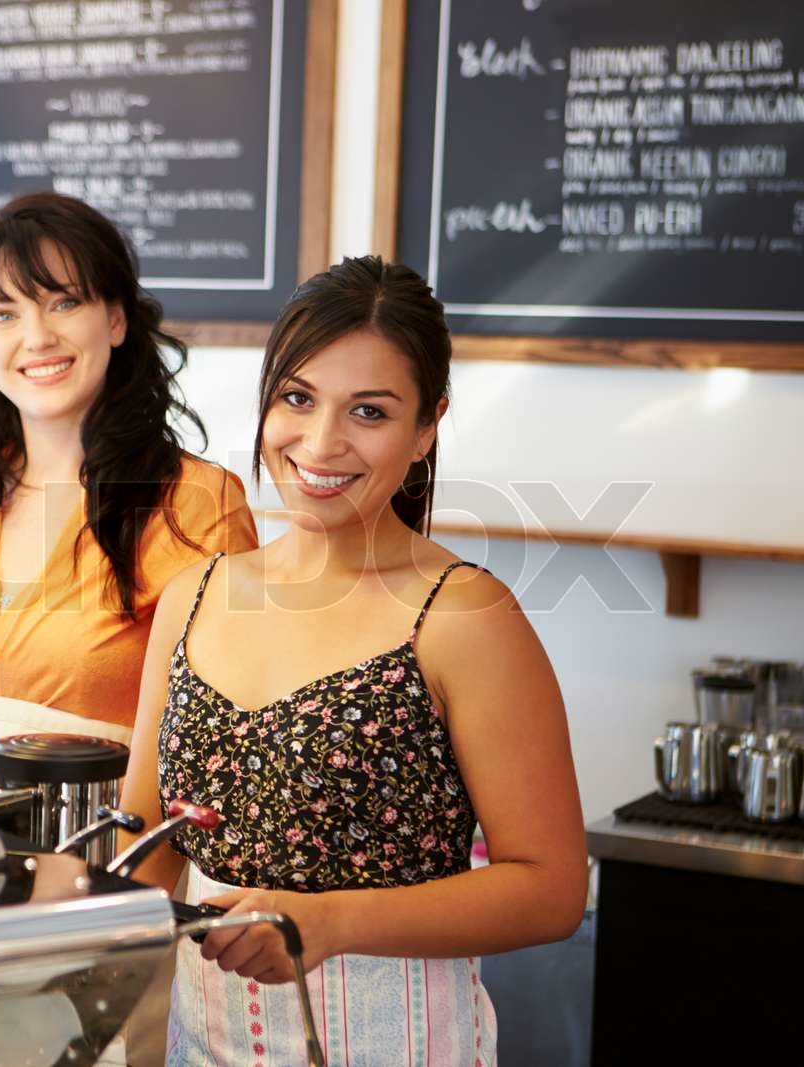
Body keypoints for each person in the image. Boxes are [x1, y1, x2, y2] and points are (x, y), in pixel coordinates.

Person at [121, 256, 587, 1065]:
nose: (321, 441)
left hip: (393, 1043)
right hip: (197, 1040)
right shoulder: (194, 593)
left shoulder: (464, 616)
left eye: (369, 411)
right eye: (298, 397)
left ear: (427, 427)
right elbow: (148, 843)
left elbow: (550, 887)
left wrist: (331, 921)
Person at [0, 193, 258, 760]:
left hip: (110, 840)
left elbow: (223, 737)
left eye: (63, 302)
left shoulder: (197, 503)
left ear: (117, 319)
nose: (37, 338)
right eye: (4, 314)